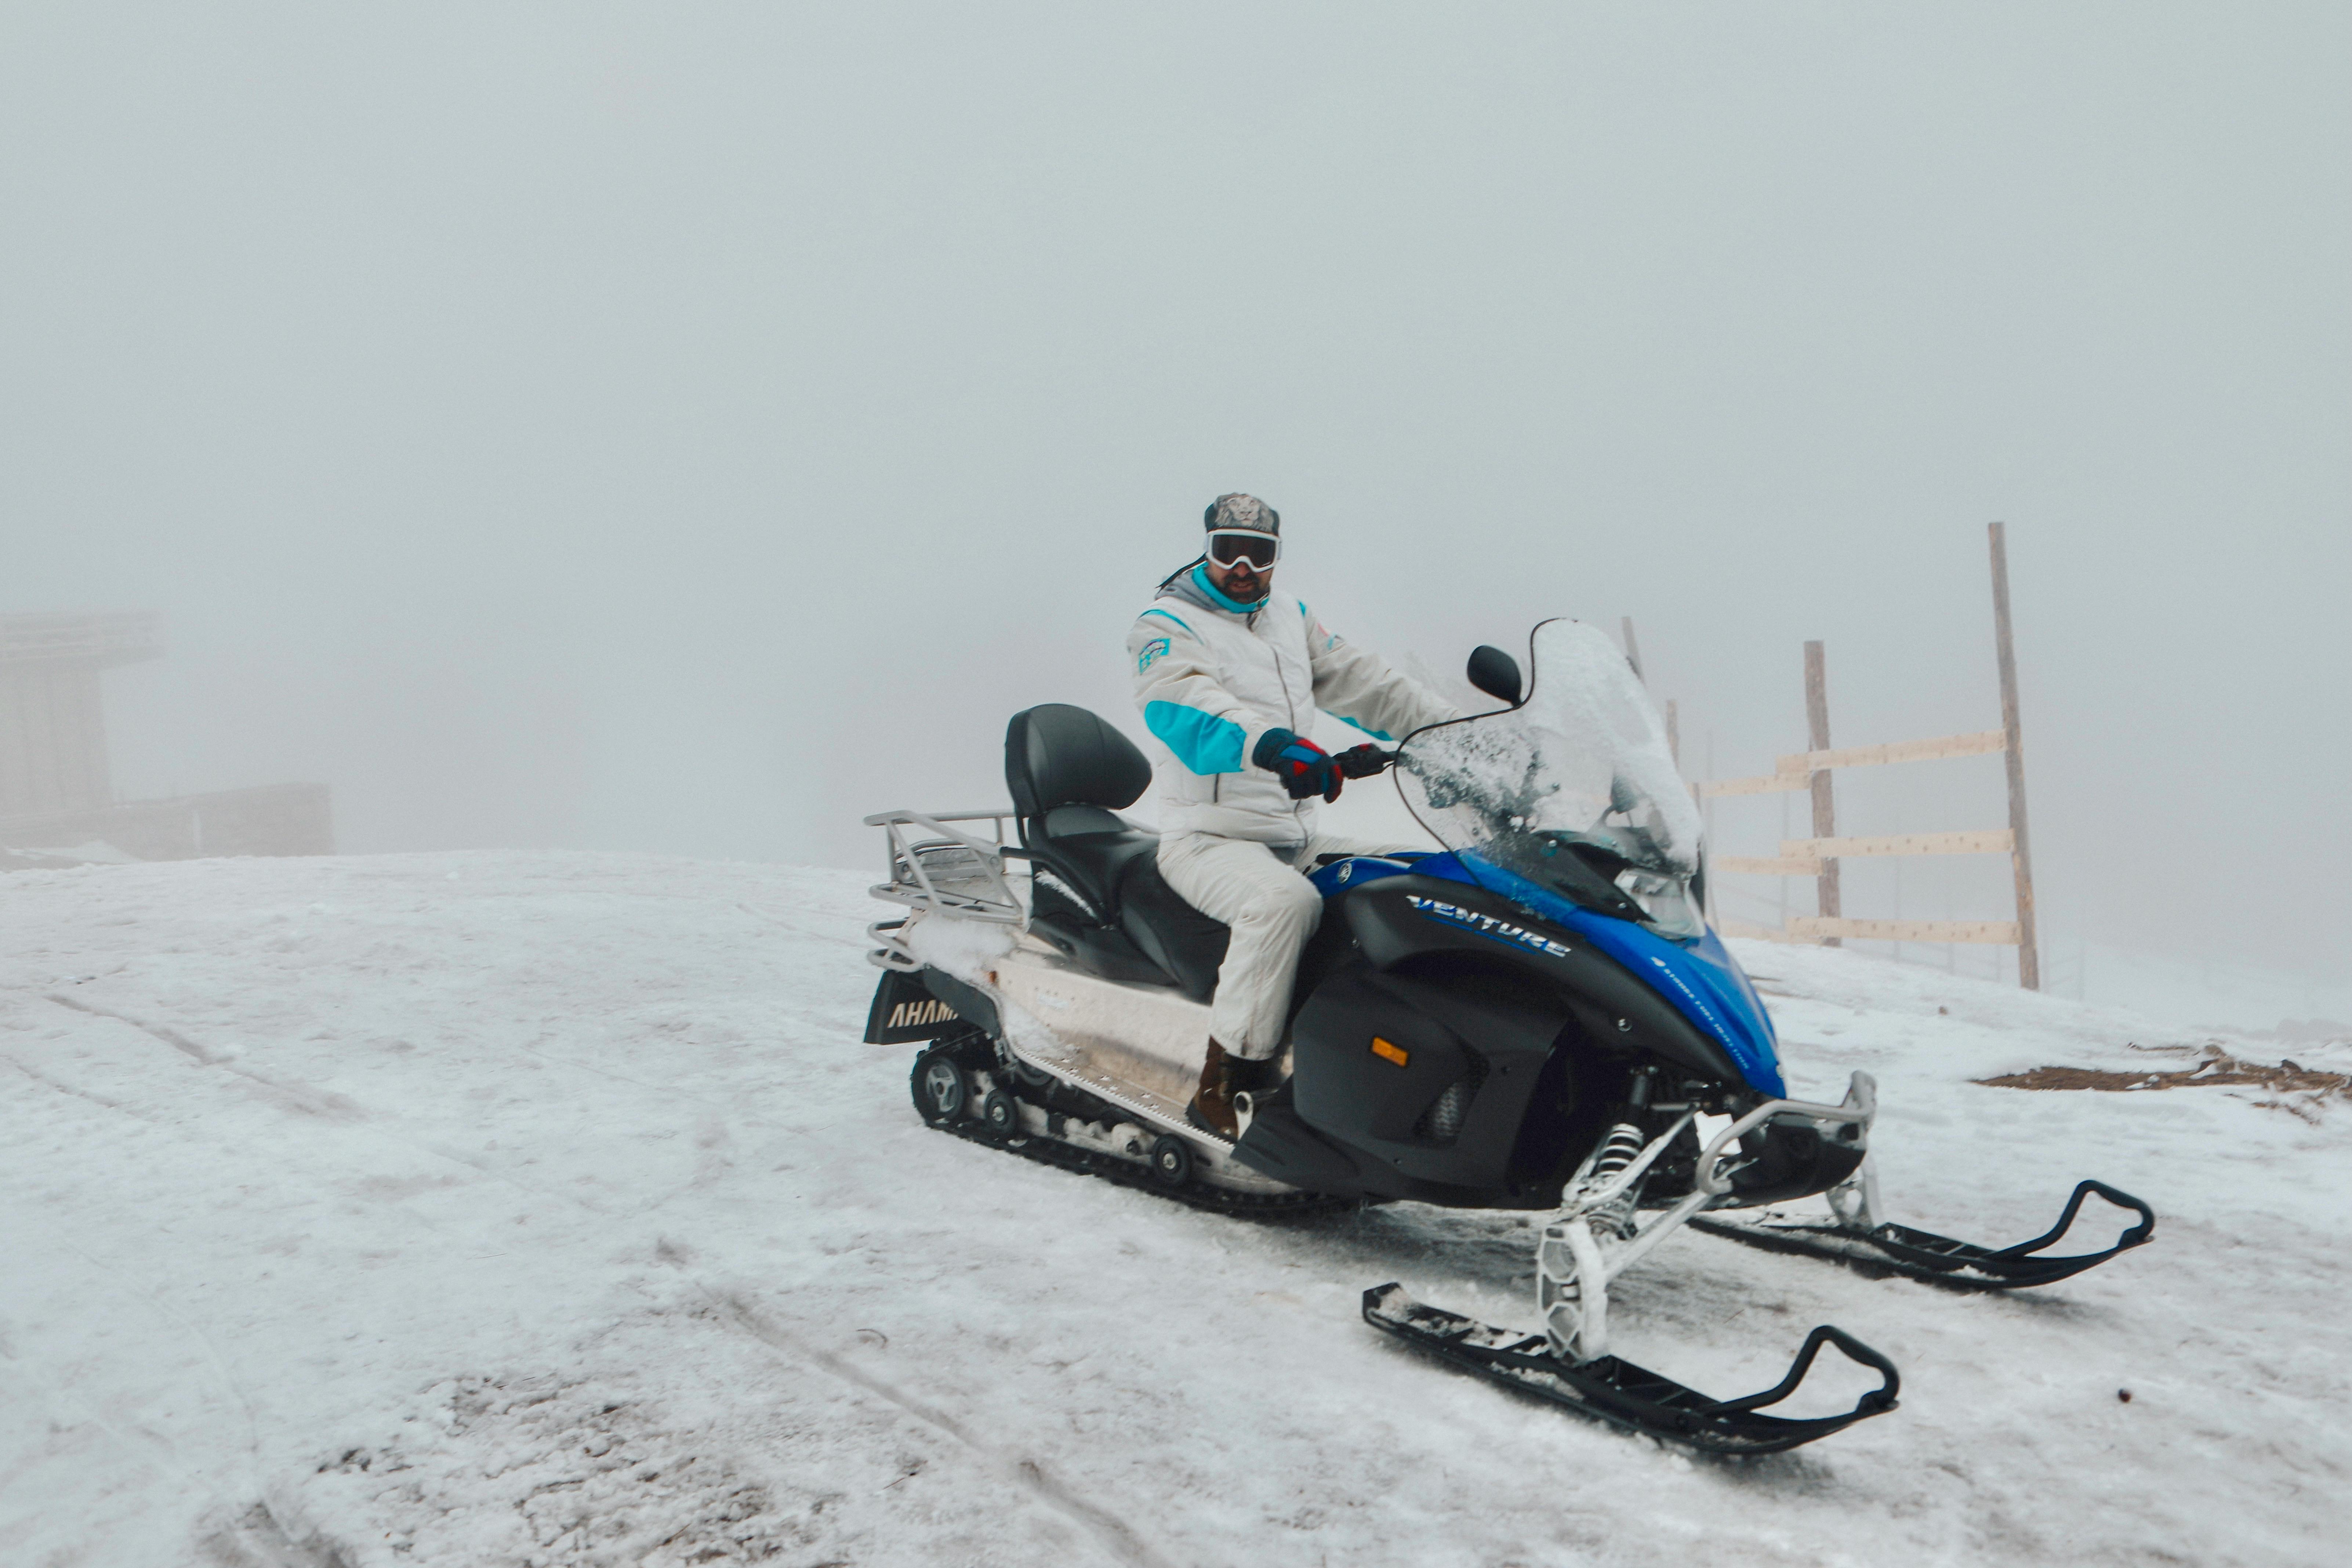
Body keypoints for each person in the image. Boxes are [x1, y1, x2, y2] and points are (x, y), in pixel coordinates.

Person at [1128, 493, 1462, 1138]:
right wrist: (1275, 746)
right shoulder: (1166, 625)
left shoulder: (1289, 617)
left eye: (1260, 554)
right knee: (1284, 904)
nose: (1244, 567)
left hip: (1294, 833)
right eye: (1229, 551)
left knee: (1416, 879)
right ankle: (1225, 1084)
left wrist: (1458, 733)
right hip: (1208, 840)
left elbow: (1366, 683)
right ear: (1207, 549)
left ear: (1277, 559)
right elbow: (1183, 706)